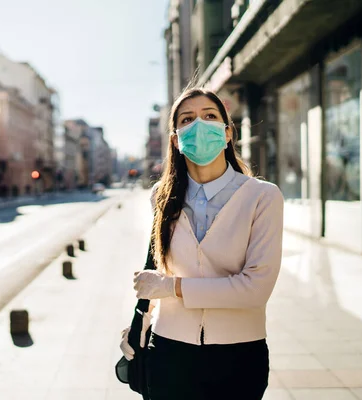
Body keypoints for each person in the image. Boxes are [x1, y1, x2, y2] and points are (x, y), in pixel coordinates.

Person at [119, 87, 284, 400]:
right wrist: (139, 326)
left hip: (238, 356)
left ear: (226, 134)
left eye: (210, 116)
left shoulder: (263, 197)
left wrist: (174, 288)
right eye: (187, 119)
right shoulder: (162, 197)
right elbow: (155, 268)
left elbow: (255, 289)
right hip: (168, 352)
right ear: (175, 138)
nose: (199, 125)